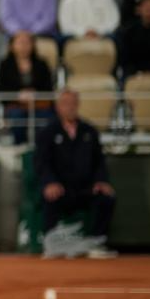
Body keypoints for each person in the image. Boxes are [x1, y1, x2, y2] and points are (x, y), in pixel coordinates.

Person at [34, 89, 116, 258]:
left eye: (73, 103)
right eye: (65, 104)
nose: (70, 107)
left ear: (78, 105)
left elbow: (99, 161)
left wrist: (101, 181)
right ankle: (51, 244)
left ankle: (96, 243)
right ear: (57, 107)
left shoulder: (90, 131)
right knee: (50, 196)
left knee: (106, 198)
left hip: (85, 189)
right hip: (60, 188)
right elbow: (42, 162)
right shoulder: (47, 132)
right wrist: (50, 182)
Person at [0, 30, 54, 144]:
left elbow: (48, 88)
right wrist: (18, 95)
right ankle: (20, 148)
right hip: (15, 106)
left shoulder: (41, 64)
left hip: (38, 105)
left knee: (46, 120)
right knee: (17, 118)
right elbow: (0, 89)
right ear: (12, 46)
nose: (24, 46)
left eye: (27, 42)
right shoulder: (5, 65)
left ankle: (40, 148)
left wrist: (34, 94)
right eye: (20, 43)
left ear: (33, 45)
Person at [122, 0, 150, 77]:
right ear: (139, 9)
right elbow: (126, 60)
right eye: (147, 9)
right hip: (136, 74)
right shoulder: (130, 32)